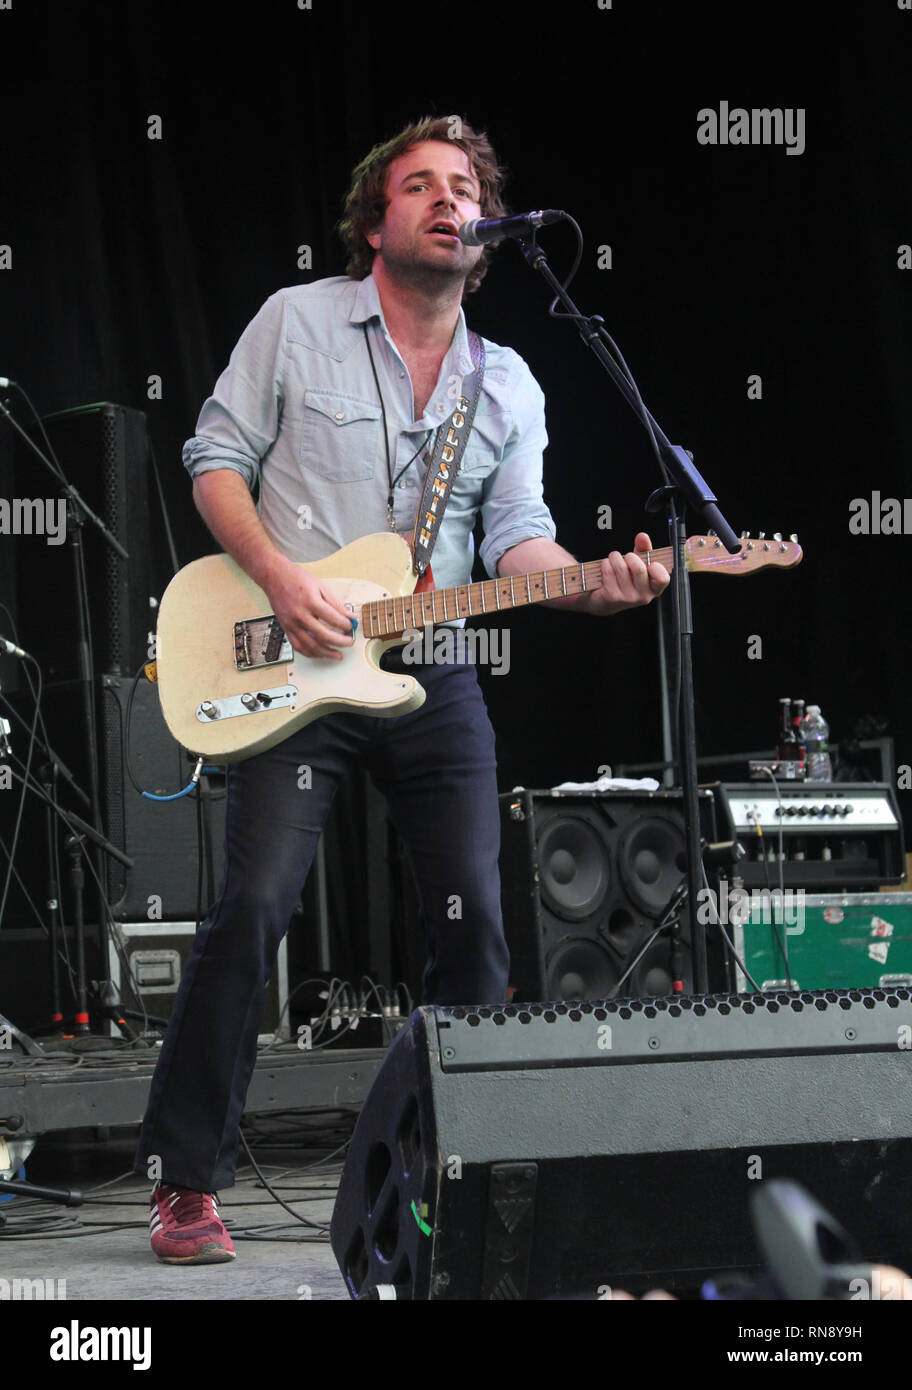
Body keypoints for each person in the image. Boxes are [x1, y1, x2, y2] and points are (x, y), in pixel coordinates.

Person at [135, 116, 670, 1264]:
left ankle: (450, 1169)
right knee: (254, 909)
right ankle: (185, 1181)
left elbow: (519, 541)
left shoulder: (508, 379)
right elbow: (213, 458)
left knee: (475, 918)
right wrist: (279, 582)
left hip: (432, 671)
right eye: (419, 185)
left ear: (486, 230)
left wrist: (598, 587)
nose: (446, 199)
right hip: (293, 661)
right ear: (374, 223)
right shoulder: (298, 321)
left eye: (465, 187)